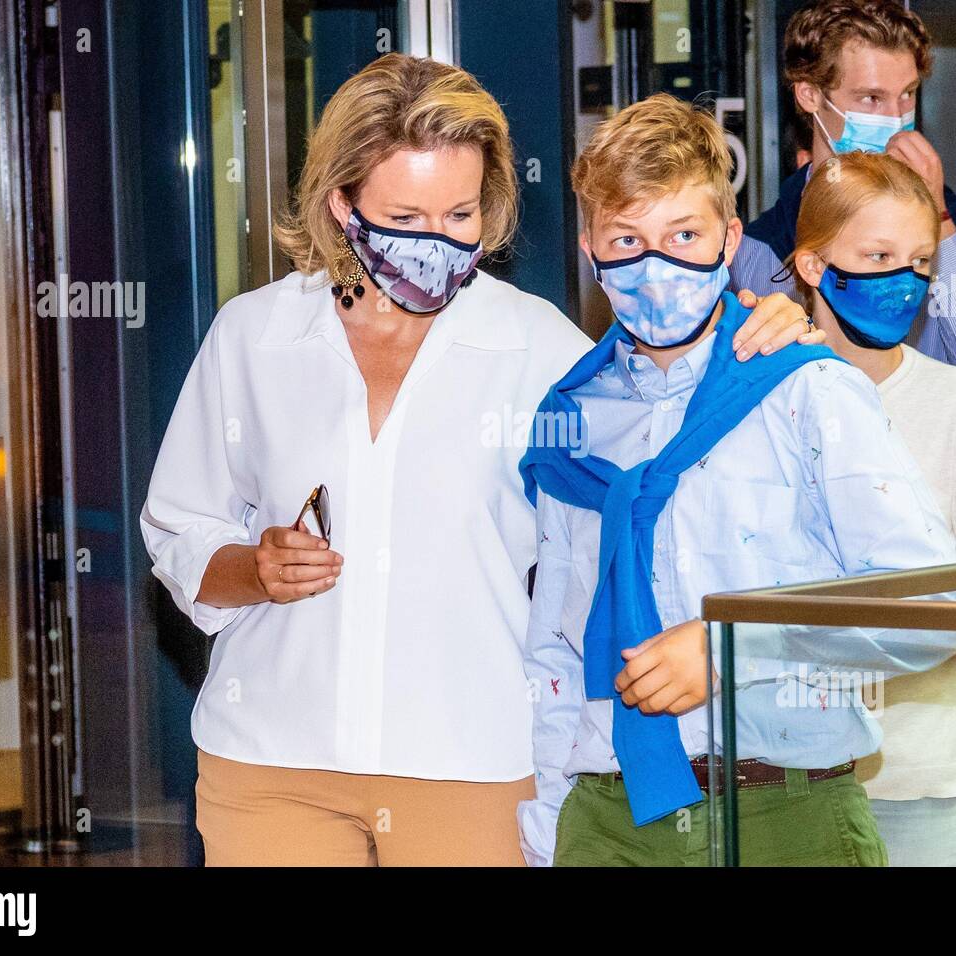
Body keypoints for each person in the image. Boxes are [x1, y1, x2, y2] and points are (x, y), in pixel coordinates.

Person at [139, 54, 820, 866]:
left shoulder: (542, 351)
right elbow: (179, 528)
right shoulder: (255, 337)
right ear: (341, 203)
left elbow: (670, 488)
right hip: (272, 762)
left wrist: (768, 332)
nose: (437, 242)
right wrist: (254, 568)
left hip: (475, 769)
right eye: (407, 215)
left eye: (460, 215)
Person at [519, 93, 956, 868]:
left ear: (730, 241)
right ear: (590, 248)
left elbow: (933, 607)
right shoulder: (569, 419)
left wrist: (737, 645)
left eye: (683, 235)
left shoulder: (804, 388)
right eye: (626, 238)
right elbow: (555, 648)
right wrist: (551, 828)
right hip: (606, 818)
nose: (653, 264)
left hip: (783, 813)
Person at [785, 151, 956, 865]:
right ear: (813, 266)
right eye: (877, 255)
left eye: (921, 261)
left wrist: (896, 626)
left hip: (915, 779)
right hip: (777, 777)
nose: (904, 281)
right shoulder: (763, 392)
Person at [731, 0, 956, 413]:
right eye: (871, 98)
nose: (895, 118)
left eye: (907, 95)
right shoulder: (756, 248)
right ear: (810, 95)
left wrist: (939, 220)